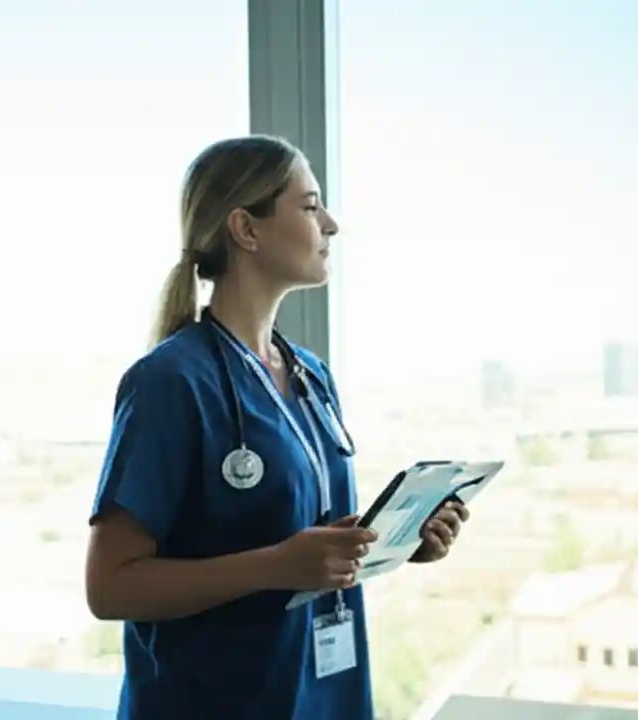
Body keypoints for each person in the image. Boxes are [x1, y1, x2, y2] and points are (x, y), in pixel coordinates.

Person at [83, 135, 469, 719]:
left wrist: (395, 543)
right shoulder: (170, 382)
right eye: (311, 206)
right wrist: (275, 566)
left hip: (323, 698)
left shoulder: (311, 375)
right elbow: (110, 588)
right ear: (247, 229)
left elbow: (310, 548)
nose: (331, 225)